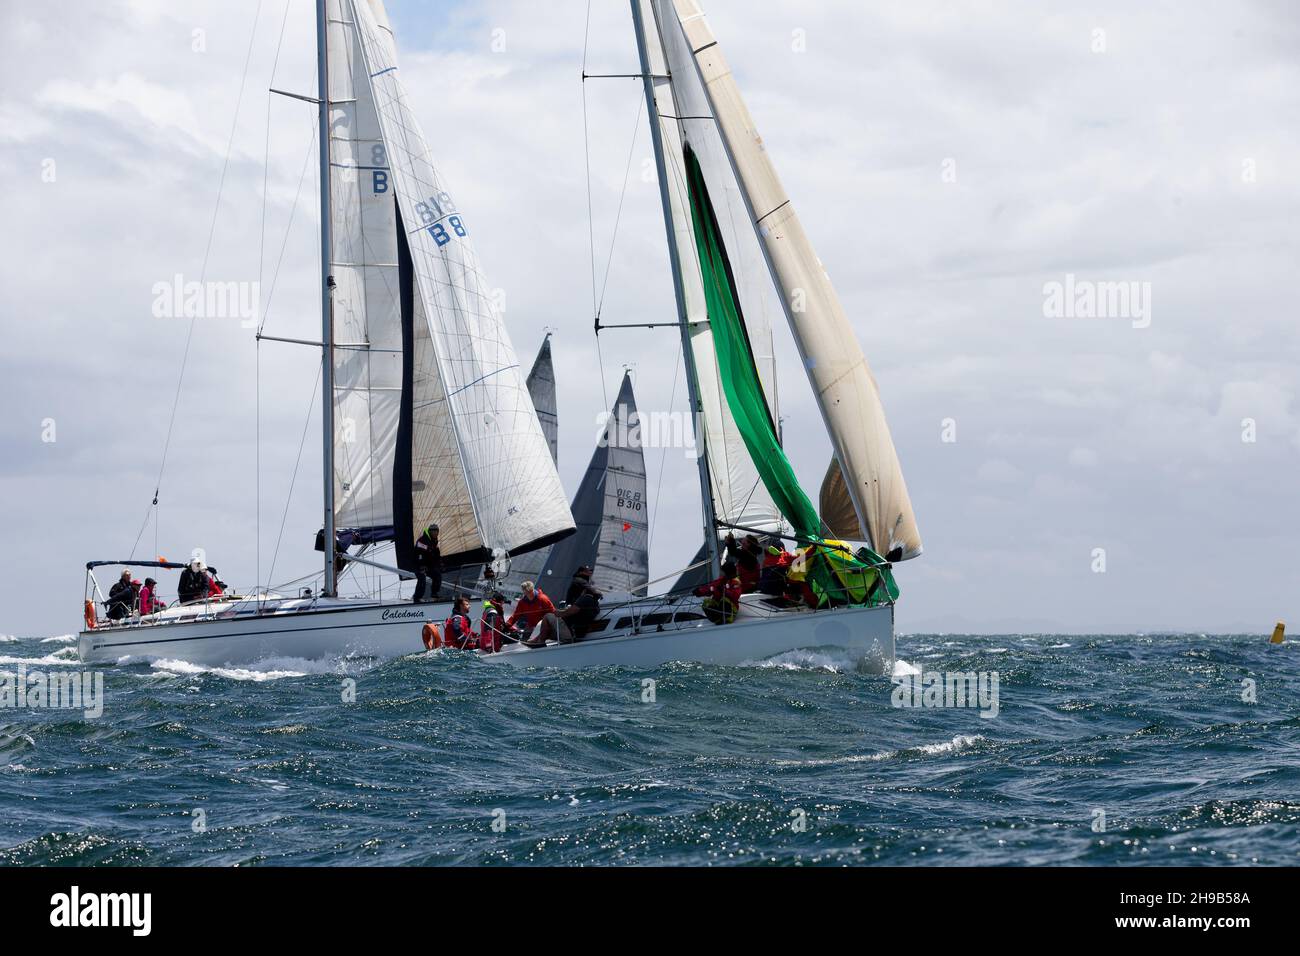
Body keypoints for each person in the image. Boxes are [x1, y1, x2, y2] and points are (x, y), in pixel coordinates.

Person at [525, 574, 602, 647]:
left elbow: (571, 611)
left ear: (583, 590)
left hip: (569, 634)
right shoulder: (594, 602)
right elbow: (576, 612)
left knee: (547, 616)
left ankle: (540, 642)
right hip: (572, 633)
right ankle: (536, 641)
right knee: (547, 630)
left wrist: (558, 613)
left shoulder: (585, 598)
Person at [696, 560, 742, 624]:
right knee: (706, 602)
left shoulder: (736, 582)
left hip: (732, 608)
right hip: (719, 606)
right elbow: (711, 587)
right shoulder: (721, 580)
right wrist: (699, 591)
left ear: (728, 572)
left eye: (724, 572)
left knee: (724, 600)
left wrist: (724, 591)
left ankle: (728, 618)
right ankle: (717, 620)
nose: (723, 573)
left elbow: (735, 596)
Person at [413, 524, 441, 603]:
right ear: (430, 531)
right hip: (418, 565)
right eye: (434, 531)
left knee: (437, 575)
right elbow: (420, 553)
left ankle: (434, 594)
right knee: (422, 578)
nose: (436, 533)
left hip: (428, 566)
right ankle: (417, 598)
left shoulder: (434, 541)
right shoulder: (422, 540)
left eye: (437, 531)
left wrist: (440, 564)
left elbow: (435, 555)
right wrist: (421, 565)